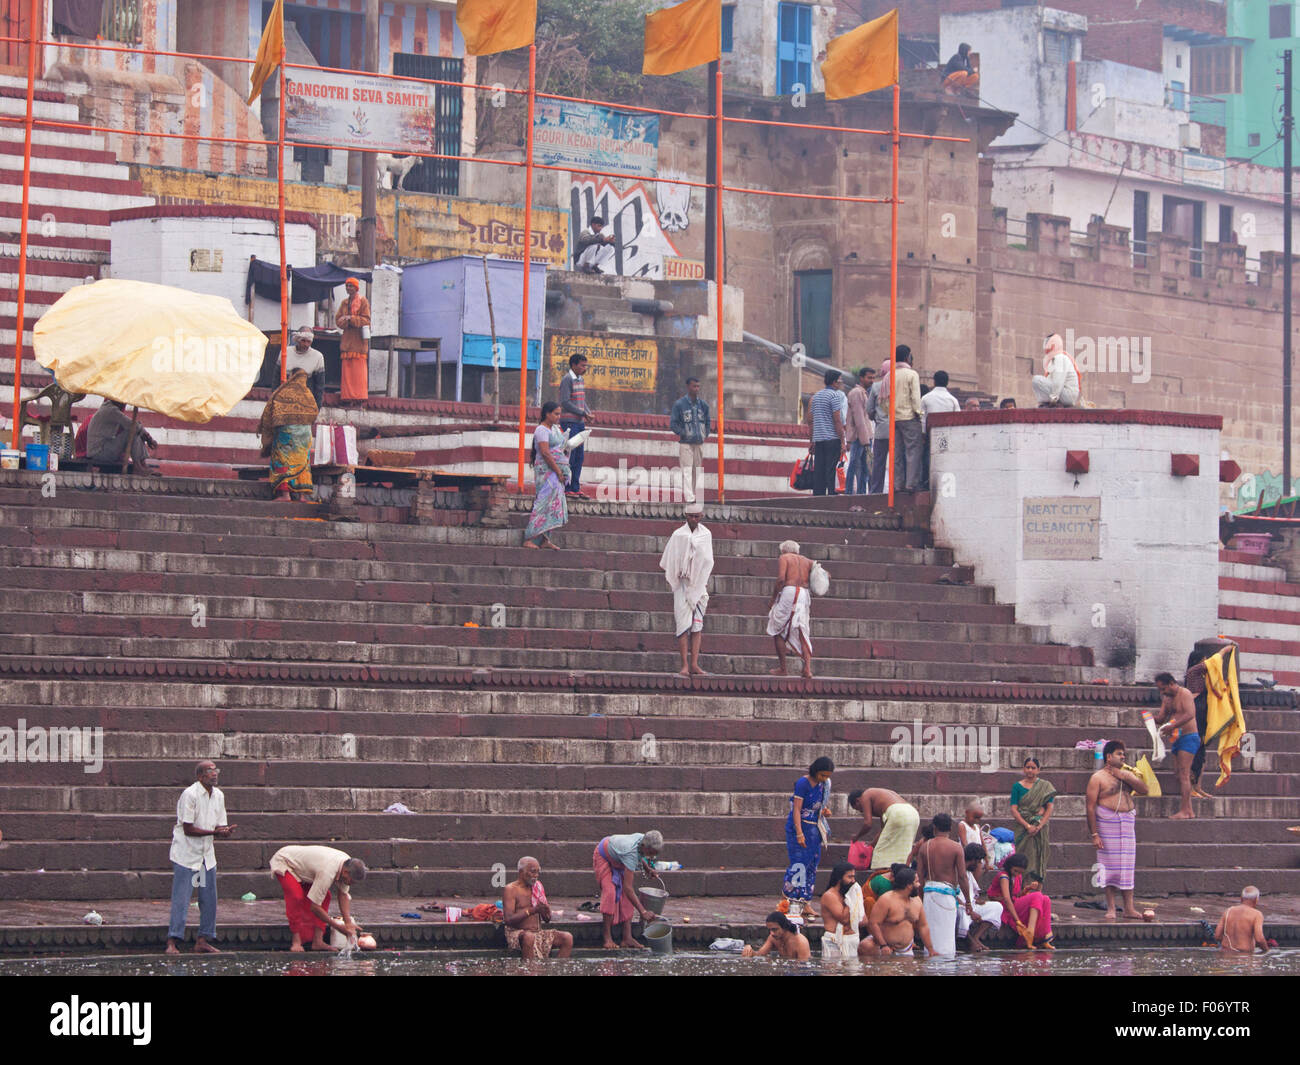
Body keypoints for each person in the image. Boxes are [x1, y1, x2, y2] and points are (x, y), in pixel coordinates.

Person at [165, 761, 234, 955]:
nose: (214, 774)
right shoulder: (190, 794)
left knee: (208, 898)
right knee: (182, 898)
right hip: (186, 855)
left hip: (206, 857)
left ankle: (203, 939)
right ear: (200, 776)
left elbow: (220, 826)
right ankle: (172, 941)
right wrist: (214, 832)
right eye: (210, 771)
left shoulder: (219, 795)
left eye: (215, 771)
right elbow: (188, 829)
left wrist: (225, 831)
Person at [1086, 740, 1148, 920]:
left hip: (1127, 823)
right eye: (1119, 754)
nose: (1123, 757)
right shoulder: (1097, 778)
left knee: (1127, 866)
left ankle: (1129, 908)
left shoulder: (1127, 774)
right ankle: (1111, 908)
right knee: (1109, 866)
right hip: (1107, 824)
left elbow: (1144, 789)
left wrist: (1125, 776)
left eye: (1123, 754)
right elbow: (1090, 807)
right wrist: (1094, 834)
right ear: (1108, 756)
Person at [269, 845, 366, 952]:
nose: (351, 884)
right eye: (351, 881)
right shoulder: (327, 871)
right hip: (285, 861)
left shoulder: (347, 863)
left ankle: (318, 942)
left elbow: (343, 894)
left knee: (326, 897)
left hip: (304, 867)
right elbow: (314, 907)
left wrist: (348, 922)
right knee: (296, 896)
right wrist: (338, 927)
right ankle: (296, 941)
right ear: (345, 873)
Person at [659, 501, 713, 676]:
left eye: (697, 517)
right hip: (682, 583)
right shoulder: (678, 535)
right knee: (682, 624)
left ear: (701, 517)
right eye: (691, 516)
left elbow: (708, 560)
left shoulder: (706, 534)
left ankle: (695, 664)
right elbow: (670, 558)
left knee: (697, 626)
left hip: (698, 584)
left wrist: (698, 576)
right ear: (685, 516)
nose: (693, 519)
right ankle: (684, 665)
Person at [593, 830, 664, 949]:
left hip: (619, 857)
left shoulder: (643, 840)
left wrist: (648, 869)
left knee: (626, 899)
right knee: (610, 892)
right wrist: (643, 911)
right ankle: (607, 938)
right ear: (644, 846)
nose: (651, 857)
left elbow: (640, 855)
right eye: (651, 853)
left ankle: (627, 938)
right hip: (604, 856)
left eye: (654, 854)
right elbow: (628, 888)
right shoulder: (631, 852)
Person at [915, 812, 973, 957]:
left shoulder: (924, 847)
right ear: (950, 829)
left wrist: (920, 899)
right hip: (946, 895)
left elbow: (920, 878)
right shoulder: (956, 847)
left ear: (934, 827)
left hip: (929, 894)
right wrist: (968, 902)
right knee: (946, 936)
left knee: (931, 933)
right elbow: (962, 876)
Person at [257, 367, 318, 501]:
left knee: (283, 460)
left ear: (292, 376)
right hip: (305, 435)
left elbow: (271, 413)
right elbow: (314, 414)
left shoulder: (283, 391)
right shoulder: (308, 394)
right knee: (303, 463)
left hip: (287, 434)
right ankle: (302, 496)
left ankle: (285, 495)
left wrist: (267, 435)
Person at [783, 756, 834, 914]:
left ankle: (805, 902)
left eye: (827, 776)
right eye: (822, 775)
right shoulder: (803, 783)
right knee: (799, 865)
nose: (824, 779)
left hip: (815, 831)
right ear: (815, 771)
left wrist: (825, 811)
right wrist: (799, 833)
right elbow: (797, 809)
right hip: (800, 827)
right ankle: (791, 902)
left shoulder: (824, 785)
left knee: (812, 865)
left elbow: (818, 807)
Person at [502, 857, 574, 959]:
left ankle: (559, 969)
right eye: (532, 872)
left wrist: (545, 911)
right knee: (529, 937)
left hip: (538, 933)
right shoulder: (511, 889)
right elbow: (508, 920)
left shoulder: (537, 887)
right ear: (521, 872)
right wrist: (532, 910)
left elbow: (547, 919)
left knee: (567, 937)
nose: (536, 876)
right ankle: (531, 971)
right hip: (517, 934)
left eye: (537, 872)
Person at [1153, 671, 1201, 819]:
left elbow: (1190, 714)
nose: (1162, 692)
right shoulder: (1167, 698)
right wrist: (1150, 718)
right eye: (1160, 690)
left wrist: (1172, 726)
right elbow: (1161, 718)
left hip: (1189, 737)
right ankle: (1189, 810)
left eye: (1164, 689)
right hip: (1176, 739)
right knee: (1178, 774)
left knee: (1184, 774)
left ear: (1171, 684)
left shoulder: (1185, 693)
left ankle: (1186, 810)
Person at [766, 540, 814, 678]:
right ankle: (807, 669)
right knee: (802, 629)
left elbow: (781, 579)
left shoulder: (784, 558)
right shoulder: (807, 560)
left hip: (789, 592)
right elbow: (825, 573)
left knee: (777, 628)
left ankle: (783, 668)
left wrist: (773, 599)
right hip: (804, 594)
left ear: (783, 551)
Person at [861, 866, 933, 957]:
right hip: (885, 948)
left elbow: (923, 926)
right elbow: (873, 923)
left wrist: (930, 949)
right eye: (917, 882)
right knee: (865, 946)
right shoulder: (886, 899)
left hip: (906, 950)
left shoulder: (917, 901)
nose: (919, 885)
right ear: (908, 885)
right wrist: (883, 945)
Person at [524, 401, 568, 549]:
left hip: (556, 472)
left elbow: (559, 447)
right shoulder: (541, 430)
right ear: (547, 414)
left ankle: (545, 540)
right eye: (556, 414)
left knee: (553, 505)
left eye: (559, 414)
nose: (558, 417)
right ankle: (530, 538)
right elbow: (545, 453)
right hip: (546, 472)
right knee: (543, 504)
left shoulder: (556, 429)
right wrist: (558, 471)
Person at [849, 787, 921, 877]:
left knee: (879, 852)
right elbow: (883, 830)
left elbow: (868, 824)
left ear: (857, 801)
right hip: (913, 814)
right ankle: (900, 876)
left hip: (898, 814)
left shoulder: (865, 795)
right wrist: (872, 845)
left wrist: (857, 836)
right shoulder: (882, 799)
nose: (861, 811)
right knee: (902, 851)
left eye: (859, 809)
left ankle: (882, 879)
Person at [990, 853, 1054, 949]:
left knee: (1046, 899)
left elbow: (1016, 895)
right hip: (1005, 908)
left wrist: (1027, 889)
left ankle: (1044, 938)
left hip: (1014, 903)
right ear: (1010, 866)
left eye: (1019, 872)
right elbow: (1007, 899)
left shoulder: (1018, 876)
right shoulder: (1004, 876)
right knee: (1037, 896)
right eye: (1015, 871)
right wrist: (1018, 921)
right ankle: (1030, 933)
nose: (1017, 874)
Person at [1010, 756, 1056, 882]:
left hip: (1039, 828)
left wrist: (1039, 825)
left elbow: (1049, 808)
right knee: (1022, 858)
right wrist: (1027, 826)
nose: (1030, 770)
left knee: (1038, 858)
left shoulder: (1045, 786)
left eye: (1033, 768)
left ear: (1038, 770)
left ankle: (1036, 893)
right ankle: (1020, 892)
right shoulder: (1017, 787)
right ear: (1023, 769)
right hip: (1023, 827)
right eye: (1027, 767)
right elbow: (1014, 809)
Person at [887, 346, 924, 491]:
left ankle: (897, 485)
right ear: (908, 357)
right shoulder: (911, 374)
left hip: (893, 419)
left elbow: (884, 400)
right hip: (909, 417)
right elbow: (915, 397)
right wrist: (919, 413)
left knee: (897, 454)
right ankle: (911, 484)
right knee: (912, 452)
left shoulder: (889, 375)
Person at [669, 376, 710, 504]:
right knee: (686, 470)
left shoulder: (703, 405)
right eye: (694, 386)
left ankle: (691, 494)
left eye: (698, 386)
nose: (696, 389)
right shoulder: (679, 404)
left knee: (695, 471)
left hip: (699, 443)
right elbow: (673, 423)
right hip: (685, 444)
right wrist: (683, 433)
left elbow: (708, 421)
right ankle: (689, 497)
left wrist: (705, 434)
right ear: (688, 387)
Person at [557, 353, 593, 498]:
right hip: (569, 422)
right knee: (569, 456)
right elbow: (565, 402)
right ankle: (566, 487)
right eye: (582, 365)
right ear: (573, 365)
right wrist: (583, 413)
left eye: (585, 365)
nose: (584, 368)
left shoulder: (580, 379)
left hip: (579, 422)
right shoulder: (567, 379)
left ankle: (575, 487)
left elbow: (581, 400)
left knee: (579, 456)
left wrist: (587, 413)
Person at [87, 398, 156, 473]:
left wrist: (145, 435)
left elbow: (137, 427)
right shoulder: (111, 410)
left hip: (103, 450)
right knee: (132, 430)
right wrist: (149, 439)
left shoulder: (109, 408)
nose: (124, 404)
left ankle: (143, 464)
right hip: (99, 453)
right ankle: (137, 466)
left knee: (137, 431)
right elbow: (132, 425)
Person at [957, 843, 1004, 952]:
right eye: (978, 862)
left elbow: (970, 892)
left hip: (971, 905)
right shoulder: (957, 870)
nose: (980, 865)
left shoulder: (968, 872)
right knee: (962, 911)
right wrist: (968, 908)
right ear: (972, 860)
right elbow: (953, 894)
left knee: (996, 907)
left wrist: (976, 901)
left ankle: (976, 937)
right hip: (959, 906)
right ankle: (969, 941)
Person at [808, 370, 846, 496]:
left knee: (819, 471)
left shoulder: (816, 396)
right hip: (832, 439)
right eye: (840, 380)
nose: (841, 383)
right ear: (834, 382)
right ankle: (831, 498)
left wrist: (812, 440)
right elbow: (837, 420)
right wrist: (842, 441)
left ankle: (818, 498)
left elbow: (811, 421)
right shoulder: (835, 396)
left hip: (819, 440)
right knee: (830, 471)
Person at [819, 863, 867, 959]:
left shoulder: (851, 895)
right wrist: (851, 898)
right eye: (849, 877)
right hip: (834, 941)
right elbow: (844, 920)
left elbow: (864, 921)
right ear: (839, 878)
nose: (853, 881)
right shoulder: (830, 896)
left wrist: (854, 898)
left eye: (854, 877)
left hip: (852, 941)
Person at [921, 369, 960, 485]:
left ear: (934, 382)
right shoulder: (953, 400)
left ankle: (928, 482)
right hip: (946, 435)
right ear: (947, 383)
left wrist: (923, 435)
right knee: (943, 457)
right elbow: (958, 420)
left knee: (929, 458)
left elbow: (922, 419)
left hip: (930, 435)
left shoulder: (926, 398)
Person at [335, 276, 370, 404]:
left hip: (359, 341)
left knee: (358, 372)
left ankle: (359, 398)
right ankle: (347, 397)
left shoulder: (363, 301)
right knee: (347, 371)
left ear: (356, 288)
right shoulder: (344, 302)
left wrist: (351, 319)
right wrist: (345, 321)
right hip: (347, 340)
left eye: (351, 286)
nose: (348, 288)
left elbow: (366, 320)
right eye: (347, 286)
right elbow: (338, 319)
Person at [1184, 650, 1213, 799]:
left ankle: (1198, 787)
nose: (1206, 661)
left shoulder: (1202, 676)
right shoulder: (1193, 671)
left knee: (1202, 754)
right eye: (1203, 659)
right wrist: (1226, 650)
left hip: (1203, 715)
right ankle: (1190, 789)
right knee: (1195, 752)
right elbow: (1211, 664)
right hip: (1196, 715)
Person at [1214, 887, 1269, 954]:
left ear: (1241, 898)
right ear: (1256, 900)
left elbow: (1217, 936)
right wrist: (1266, 951)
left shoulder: (1228, 911)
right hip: (1244, 957)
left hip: (1225, 956)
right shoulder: (1257, 914)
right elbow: (1259, 939)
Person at [1032, 333, 1081, 408]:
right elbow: (1050, 381)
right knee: (1038, 383)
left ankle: (1049, 402)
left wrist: (1053, 399)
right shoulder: (1055, 359)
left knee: (1037, 380)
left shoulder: (1060, 358)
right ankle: (1045, 403)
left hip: (1068, 394)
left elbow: (1058, 381)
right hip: (1064, 394)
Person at [845, 367, 873, 495]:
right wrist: (865, 440)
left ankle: (861, 494)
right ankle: (849, 493)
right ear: (861, 378)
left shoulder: (863, 392)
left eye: (873, 378)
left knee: (865, 468)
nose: (871, 381)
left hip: (864, 435)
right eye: (869, 378)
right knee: (855, 466)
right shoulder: (857, 393)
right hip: (859, 437)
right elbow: (859, 418)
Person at [866, 358, 892, 494]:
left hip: (881, 431)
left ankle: (875, 492)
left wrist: (876, 417)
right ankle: (896, 491)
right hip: (897, 431)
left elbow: (869, 409)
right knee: (897, 464)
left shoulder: (876, 387)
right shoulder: (899, 384)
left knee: (878, 464)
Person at [742, 911, 811, 959]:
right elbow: (759, 955)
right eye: (770, 930)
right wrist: (750, 951)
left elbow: (804, 968)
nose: (771, 933)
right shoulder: (773, 938)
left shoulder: (800, 942)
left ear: (784, 927)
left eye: (774, 929)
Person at [286, 327, 326, 407]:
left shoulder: (318, 357)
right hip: (286, 400)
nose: (306, 344)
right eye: (303, 341)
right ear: (298, 340)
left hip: (306, 403)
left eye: (308, 341)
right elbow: (276, 379)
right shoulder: (286, 353)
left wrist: (317, 407)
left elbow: (319, 386)